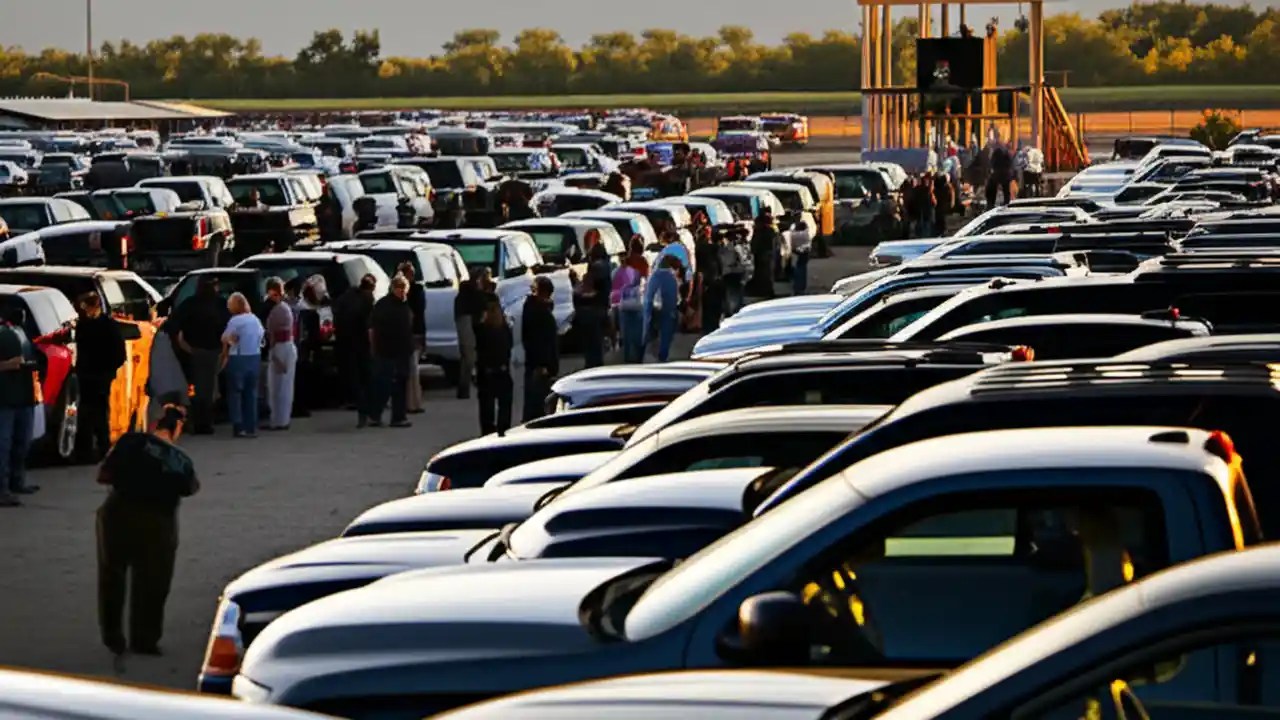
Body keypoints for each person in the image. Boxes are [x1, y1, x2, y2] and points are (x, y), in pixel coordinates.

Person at [95, 404, 199, 655]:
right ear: (176, 429)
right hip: (158, 521)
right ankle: (145, 639)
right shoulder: (180, 459)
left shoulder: (129, 441)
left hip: (117, 513)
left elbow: (103, 475)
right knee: (153, 581)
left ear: (153, 423)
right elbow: (191, 488)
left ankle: (112, 635)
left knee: (112, 575)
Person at [73, 293, 126, 462]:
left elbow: (119, 353)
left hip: (101, 376)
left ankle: (103, 447)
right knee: (85, 413)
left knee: (100, 413)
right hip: (86, 375)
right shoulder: (83, 325)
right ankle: (84, 450)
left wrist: (108, 371)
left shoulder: (108, 326)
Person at [171, 277, 228, 435]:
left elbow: (175, 326)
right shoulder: (220, 304)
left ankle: (195, 422)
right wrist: (225, 351)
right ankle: (207, 423)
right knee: (211, 390)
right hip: (215, 352)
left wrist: (184, 347)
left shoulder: (189, 304)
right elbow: (228, 329)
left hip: (194, 352)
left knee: (196, 388)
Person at [369, 275, 414, 428]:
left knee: (400, 385)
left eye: (404, 289)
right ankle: (375, 414)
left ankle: (398, 416)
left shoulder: (404, 305)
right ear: (393, 288)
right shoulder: (384, 305)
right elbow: (375, 329)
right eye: (400, 288)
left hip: (402, 351)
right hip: (387, 351)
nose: (402, 292)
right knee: (384, 384)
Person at [333, 274, 376, 426]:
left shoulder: (346, 298)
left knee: (355, 379)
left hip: (346, 343)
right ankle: (368, 412)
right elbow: (369, 326)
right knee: (367, 378)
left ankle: (361, 410)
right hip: (361, 344)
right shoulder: (367, 300)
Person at [221, 292, 264, 439]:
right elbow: (261, 336)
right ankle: (250, 425)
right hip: (254, 357)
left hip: (238, 358)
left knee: (235, 393)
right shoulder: (255, 319)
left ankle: (238, 426)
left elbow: (225, 338)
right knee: (251, 393)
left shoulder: (235, 321)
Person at [474, 295, 513, 436]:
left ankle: (488, 432)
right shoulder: (504, 328)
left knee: (487, 407)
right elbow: (509, 346)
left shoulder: (482, 329)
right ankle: (503, 430)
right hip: (501, 370)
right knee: (504, 405)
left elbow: (479, 349)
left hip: (487, 372)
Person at [521, 276, 559, 422]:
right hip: (539, 365)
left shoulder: (537, 309)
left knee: (538, 400)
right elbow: (537, 340)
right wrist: (542, 364)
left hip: (542, 364)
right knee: (536, 402)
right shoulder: (537, 312)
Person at [263, 278, 296, 431]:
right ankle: (283, 419)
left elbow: (272, 335)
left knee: (276, 385)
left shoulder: (276, 310)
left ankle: (277, 420)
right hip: (289, 345)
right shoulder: (286, 307)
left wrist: (273, 354)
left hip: (280, 347)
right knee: (286, 385)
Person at [293, 276, 327, 418]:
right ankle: (301, 406)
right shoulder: (307, 312)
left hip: (301, 348)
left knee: (302, 378)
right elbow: (312, 335)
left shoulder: (300, 308)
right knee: (302, 378)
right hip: (304, 350)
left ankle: (302, 405)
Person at [574, 243, 612, 369]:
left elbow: (587, 290)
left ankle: (592, 366)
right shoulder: (607, 266)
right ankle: (597, 364)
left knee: (591, 343)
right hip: (601, 307)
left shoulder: (596, 268)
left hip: (592, 310)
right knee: (597, 342)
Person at [612, 238, 648, 363]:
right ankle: (638, 358)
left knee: (626, 333)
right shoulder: (643, 262)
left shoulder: (626, 263)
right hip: (638, 303)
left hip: (624, 303)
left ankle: (627, 358)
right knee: (639, 333)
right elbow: (645, 280)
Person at [453, 269, 487, 399]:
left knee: (467, 357)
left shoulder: (464, 295)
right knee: (469, 358)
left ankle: (464, 387)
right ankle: (464, 387)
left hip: (467, 325)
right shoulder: (475, 294)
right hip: (469, 325)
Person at [399, 261, 427, 414]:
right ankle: (412, 402)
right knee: (411, 369)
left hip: (412, 333)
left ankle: (412, 402)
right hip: (411, 333)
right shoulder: (415, 291)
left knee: (411, 369)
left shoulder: (411, 291)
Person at [644, 254, 681, 362]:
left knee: (652, 336)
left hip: (653, 310)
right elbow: (674, 298)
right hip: (667, 310)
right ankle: (662, 356)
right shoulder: (671, 278)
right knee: (666, 335)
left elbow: (648, 296)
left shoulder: (653, 276)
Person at [695, 226, 725, 331]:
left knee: (708, 305)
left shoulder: (700, 248)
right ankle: (713, 325)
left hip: (707, 280)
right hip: (714, 279)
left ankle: (708, 326)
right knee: (715, 305)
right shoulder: (715, 249)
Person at [747, 207, 778, 297]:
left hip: (760, 253)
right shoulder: (767, 230)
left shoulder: (758, 229)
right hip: (765, 253)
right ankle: (767, 291)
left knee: (761, 273)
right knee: (766, 273)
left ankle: (762, 290)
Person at [987, 140, 1014, 207]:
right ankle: (1006, 203)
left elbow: (992, 162)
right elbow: (1010, 162)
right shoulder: (1007, 152)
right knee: (1006, 189)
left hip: (997, 173)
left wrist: (992, 169)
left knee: (992, 188)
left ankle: (991, 204)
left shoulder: (995, 152)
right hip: (1006, 173)